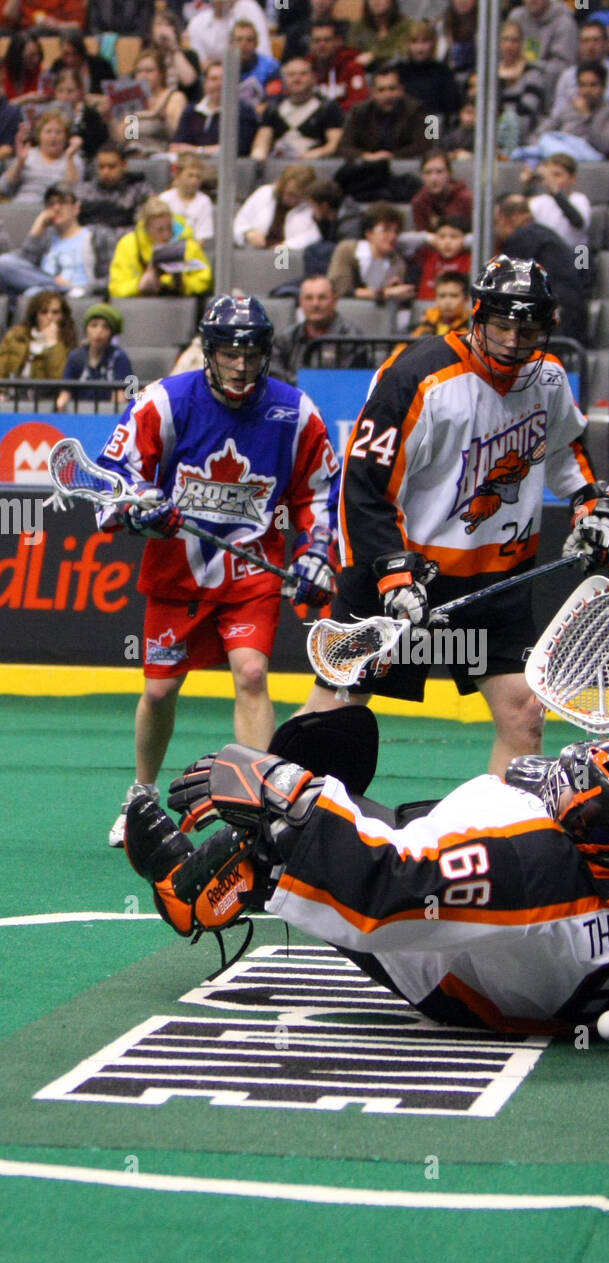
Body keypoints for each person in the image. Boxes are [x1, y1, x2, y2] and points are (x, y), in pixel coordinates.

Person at [124, 673, 609, 1033]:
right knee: (432, 823)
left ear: (577, 834)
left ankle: (194, 891)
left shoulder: (529, 864)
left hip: (471, 989)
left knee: (300, 854)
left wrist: (287, 795)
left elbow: (383, 882)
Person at [299, 254, 609, 777]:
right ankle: (273, 826)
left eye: (529, 329)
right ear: (478, 316)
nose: (515, 342)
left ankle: (503, 840)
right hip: (405, 578)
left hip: (494, 583)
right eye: (503, 325)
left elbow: (567, 450)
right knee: (333, 714)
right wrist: (392, 572)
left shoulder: (547, 379)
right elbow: (364, 485)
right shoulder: (416, 376)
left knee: (524, 714)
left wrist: (592, 501)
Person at [98, 294, 342, 848]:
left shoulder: (294, 411)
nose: (240, 364)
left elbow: (319, 492)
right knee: (160, 692)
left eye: (251, 352)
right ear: (208, 351)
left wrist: (316, 550)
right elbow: (115, 478)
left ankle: (257, 806)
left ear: (265, 353)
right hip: (177, 575)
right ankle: (140, 795)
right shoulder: (165, 401)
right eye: (229, 352)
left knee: (252, 674)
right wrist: (142, 509)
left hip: (250, 575)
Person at [492, 195, 589, 344]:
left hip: (554, 316)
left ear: (505, 218)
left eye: (496, 222)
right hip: (574, 312)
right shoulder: (546, 234)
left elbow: (512, 285)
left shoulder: (520, 238)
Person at [0, 181, 112, 298]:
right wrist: (38, 226)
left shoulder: (97, 235)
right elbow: (20, 268)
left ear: (76, 207)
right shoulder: (44, 239)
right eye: (51, 204)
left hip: (80, 296)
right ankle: (62, 288)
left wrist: (86, 289)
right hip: (45, 298)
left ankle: (67, 289)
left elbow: (110, 279)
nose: (56, 208)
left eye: (62, 202)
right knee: (4, 264)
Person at [335, 64, 427, 203]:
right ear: (372, 93)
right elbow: (343, 147)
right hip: (368, 176)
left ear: (401, 90)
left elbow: (426, 144)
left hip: (402, 174)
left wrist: (391, 156)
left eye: (392, 89)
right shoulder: (358, 111)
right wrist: (368, 156)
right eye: (381, 90)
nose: (388, 95)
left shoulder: (420, 109)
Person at [519, 59, 609, 163]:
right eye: (583, 85)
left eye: (593, 85)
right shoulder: (569, 110)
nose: (587, 91)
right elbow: (538, 135)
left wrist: (586, 116)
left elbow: (605, 146)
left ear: (604, 87)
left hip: (590, 164)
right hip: (558, 160)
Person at [108, 195, 213, 298]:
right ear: (146, 228)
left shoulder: (188, 245)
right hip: (141, 305)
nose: (166, 235)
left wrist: (181, 284)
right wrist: (139, 285)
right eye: (160, 230)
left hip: (181, 304)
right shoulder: (128, 245)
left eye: (169, 227)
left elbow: (205, 280)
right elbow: (116, 288)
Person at [249, 55, 345, 162]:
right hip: (278, 166)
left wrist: (313, 155)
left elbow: (334, 145)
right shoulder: (273, 108)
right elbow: (262, 142)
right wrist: (258, 156)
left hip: (315, 166)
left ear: (313, 78)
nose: (297, 79)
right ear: (283, 79)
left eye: (303, 74)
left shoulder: (328, 108)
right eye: (291, 75)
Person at [271, 273, 366, 379]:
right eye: (309, 298)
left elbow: (346, 381)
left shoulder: (352, 339)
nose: (315, 304)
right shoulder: (285, 339)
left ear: (334, 300)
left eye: (322, 297)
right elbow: (275, 376)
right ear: (300, 301)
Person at [326, 200, 415, 302]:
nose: (393, 236)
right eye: (386, 230)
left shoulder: (397, 263)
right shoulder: (347, 251)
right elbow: (340, 290)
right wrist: (384, 293)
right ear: (369, 233)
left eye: (396, 231)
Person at [170, 59, 259, 158]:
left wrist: (197, 150)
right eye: (213, 79)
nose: (219, 84)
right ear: (205, 83)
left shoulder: (244, 111)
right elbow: (177, 147)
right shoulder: (191, 111)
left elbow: (238, 148)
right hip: (193, 168)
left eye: (224, 79)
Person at [549, 19, 609, 119]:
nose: (591, 46)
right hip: (570, 129)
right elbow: (557, 114)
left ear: (606, 43)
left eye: (596, 40)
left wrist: (586, 114)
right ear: (579, 45)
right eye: (586, 41)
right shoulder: (567, 76)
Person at [55, 301, 133, 410]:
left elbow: (128, 394)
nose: (99, 331)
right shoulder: (75, 357)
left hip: (108, 416)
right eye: (94, 325)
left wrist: (120, 399)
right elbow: (65, 393)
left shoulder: (120, 357)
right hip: (79, 416)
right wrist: (62, 403)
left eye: (105, 327)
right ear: (86, 329)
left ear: (111, 333)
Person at [112, 46, 188, 155]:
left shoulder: (174, 97)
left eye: (149, 71)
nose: (143, 75)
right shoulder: (132, 99)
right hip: (132, 153)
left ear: (161, 73)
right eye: (139, 71)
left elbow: (174, 133)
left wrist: (153, 114)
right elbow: (123, 138)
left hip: (160, 152)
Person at [0, 108, 83, 202]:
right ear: (39, 135)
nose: (53, 136)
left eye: (58, 132)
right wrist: (20, 163)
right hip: (24, 206)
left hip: (57, 208)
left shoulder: (73, 159)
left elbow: (74, 194)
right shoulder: (28, 155)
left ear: (66, 137)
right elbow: (3, 188)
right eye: (48, 132)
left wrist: (70, 157)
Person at [0, 286, 75, 389]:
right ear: (35, 315)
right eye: (44, 312)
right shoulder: (16, 336)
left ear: (63, 316)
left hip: (46, 399)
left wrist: (52, 343)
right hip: (13, 397)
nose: (49, 317)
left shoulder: (69, 342)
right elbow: (1, 370)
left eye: (55, 312)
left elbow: (59, 380)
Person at [233, 163, 319, 251]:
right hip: (255, 254)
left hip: (288, 257)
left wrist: (288, 245)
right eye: (290, 194)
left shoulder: (311, 207)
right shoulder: (263, 193)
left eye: (299, 196)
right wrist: (248, 233)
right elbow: (239, 223)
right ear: (281, 186)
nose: (293, 200)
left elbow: (315, 235)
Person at [505, 0, 579, 103]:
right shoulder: (516, 17)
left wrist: (528, 66)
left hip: (549, 89)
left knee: (534, 78)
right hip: (514, 80)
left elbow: (563, 67)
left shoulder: (564, 23)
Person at [76, 142, 149, 235]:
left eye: (111, 167)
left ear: (124, 165)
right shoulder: (85, 190)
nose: (105, 172)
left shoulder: (139, 189)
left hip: (125, 241)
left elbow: (144, 224)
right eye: (101, 167)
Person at [397, 18, 461, 124]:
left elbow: (451, 106)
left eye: (425, 41)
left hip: (433, 122)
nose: (420, 48)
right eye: (414, 41)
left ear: (433, 43)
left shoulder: (443, 71)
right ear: (408, 44)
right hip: (405, 123)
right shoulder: (400, 71)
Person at [520, 153, 592, 247]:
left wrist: (554, 189)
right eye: (549, 175)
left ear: (572, 178)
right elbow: (520, 221)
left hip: (574, 254)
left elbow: (578, 222)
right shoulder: (540, 201)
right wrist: (527, 186)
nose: (551, 179)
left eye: (557, 175)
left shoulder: (579, 199)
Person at [185, 0, 271, 68]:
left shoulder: (248, 8)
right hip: (215, 78)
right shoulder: (197, 23)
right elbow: (201, 66)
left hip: (250, 71)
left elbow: (264, 54)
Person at [307, 18, 368, 111]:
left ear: (337, 41)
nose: (322, 45)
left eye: (327, 40)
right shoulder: (305, 68)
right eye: (317, 41)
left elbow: (359, 101)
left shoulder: (351, 66)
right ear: (310, 44)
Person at [409, 216, 471, 301]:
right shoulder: (427, 256)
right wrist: (427, 237)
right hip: (426, 310)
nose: (447, 242)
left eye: (454, 237)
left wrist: (467, 241)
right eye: (442, 236)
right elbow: (400, 242)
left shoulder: (470, 260)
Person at [411, 150, 472, 234]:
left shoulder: (466, 199)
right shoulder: (419, 202)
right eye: (428, 173)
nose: (434, 179)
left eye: (439, 172)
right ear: (422, 176)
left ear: (450, 173)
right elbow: (422, 239)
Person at [160, 153, 214, 244]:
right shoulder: (164, 199)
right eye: (190, 175)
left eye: (198, 177)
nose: (194, 181)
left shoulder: (204, 201)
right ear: (178, 174)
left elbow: (201, 239)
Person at [346, 0, 414, 71]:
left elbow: (406, 52)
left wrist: (374, 55)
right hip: (365, 75)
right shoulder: (358, 27)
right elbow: (351, 55)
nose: (376, 1)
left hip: (401, 73)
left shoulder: (407, 26)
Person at [409, 267, 471, 337]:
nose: (447, 302)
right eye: (442, 296)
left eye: (454, 296)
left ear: (466, 299)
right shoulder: (427, 321)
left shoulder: (471, 324)